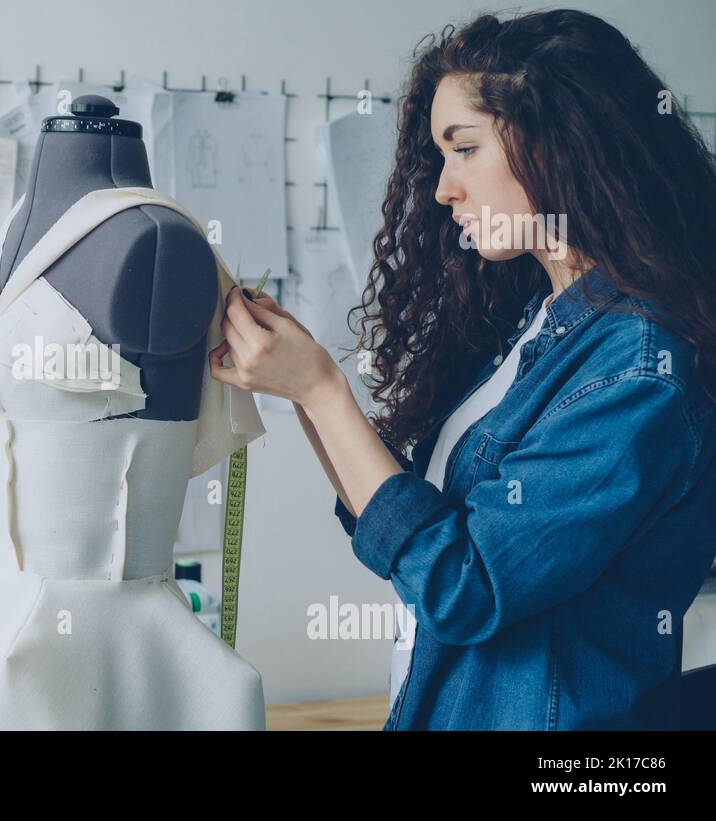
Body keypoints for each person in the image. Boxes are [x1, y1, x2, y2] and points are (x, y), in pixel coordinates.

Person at [211, 9, 716, 729]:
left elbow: (463, 585)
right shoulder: (536, 321)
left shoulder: (640, 368)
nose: (445, 187)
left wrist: (321, 391)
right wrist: (299, 389)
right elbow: (420, 535)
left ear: (559, 142)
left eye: (465, 148)